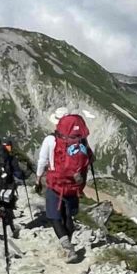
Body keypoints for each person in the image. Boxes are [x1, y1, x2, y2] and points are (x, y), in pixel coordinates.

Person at [35, 110, 93, 261]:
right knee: (68, 215)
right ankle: (69, 241)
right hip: (74, 185)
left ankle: (68, 248)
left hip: (56, 183)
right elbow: (89, 158)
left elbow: (42, 160)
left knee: (55, 217)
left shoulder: (50, 140)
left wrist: (38, 177)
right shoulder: (80, 140)